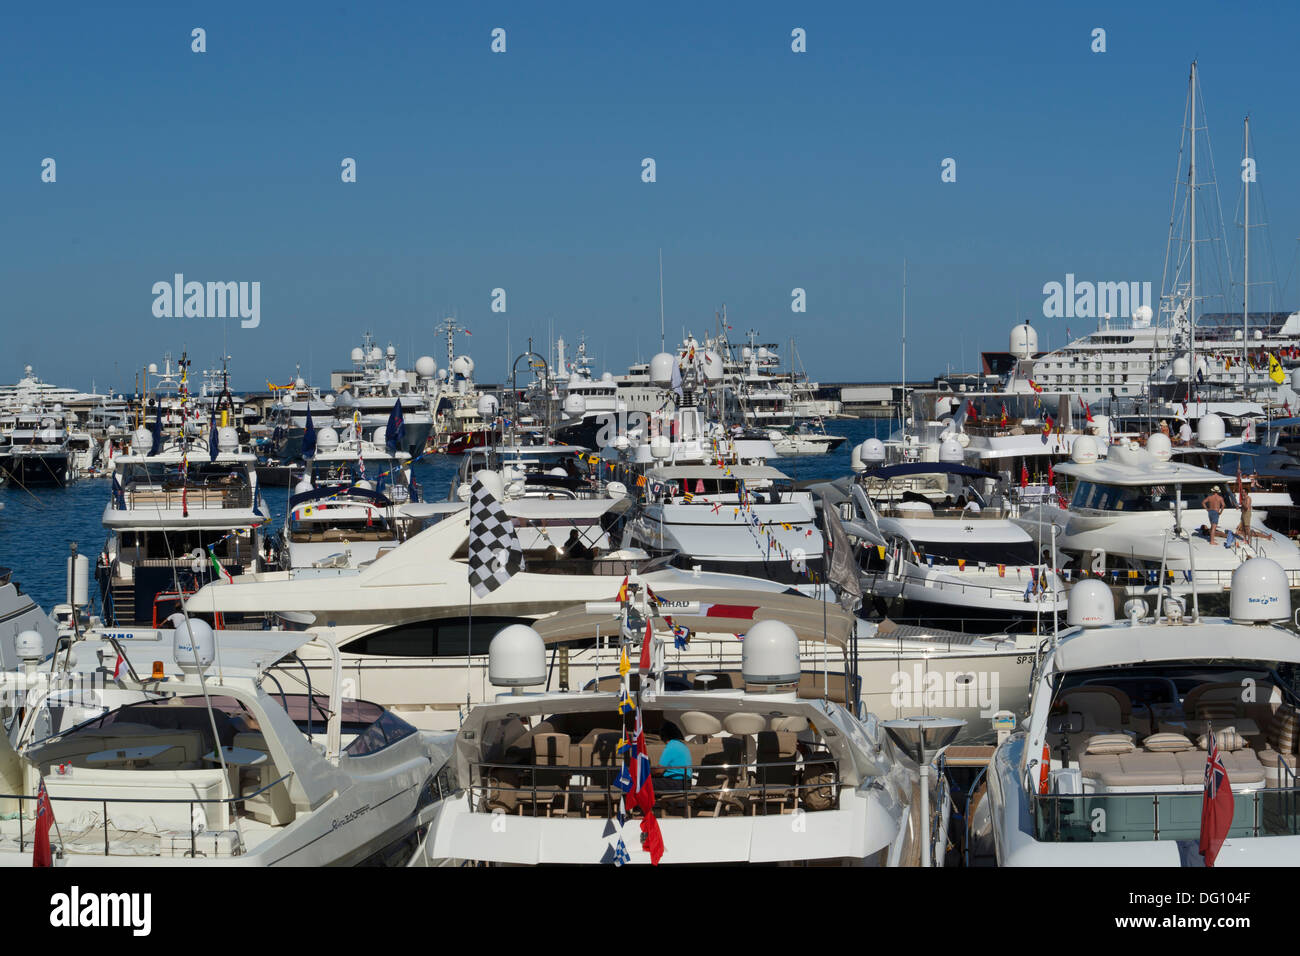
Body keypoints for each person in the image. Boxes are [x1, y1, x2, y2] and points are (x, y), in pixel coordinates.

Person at [658, 721, 692, 790]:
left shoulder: (671, 745)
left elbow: (659, 771)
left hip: (676, 783)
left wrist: (647, 771)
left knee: (643, 783)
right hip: (686, 783)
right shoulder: (683, 745)